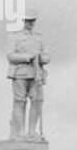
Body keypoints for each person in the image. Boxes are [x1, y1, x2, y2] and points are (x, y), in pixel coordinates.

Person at [6, 10, 49, 138]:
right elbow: (10, 56)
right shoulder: (15, 37)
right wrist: (27, 57)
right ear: (23, 21)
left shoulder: (39, 37)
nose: (31, 23)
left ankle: (31, 131)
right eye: (28, 21)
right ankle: (20, 132)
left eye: (33, 21)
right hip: (20, 72)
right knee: (19, 101)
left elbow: (46, 54)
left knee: (37, 101)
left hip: (36, 74)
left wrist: (43, 58)